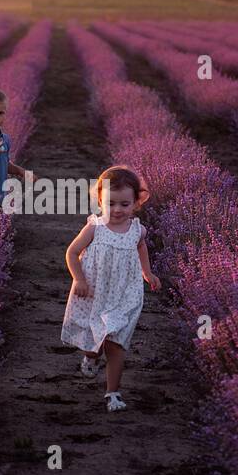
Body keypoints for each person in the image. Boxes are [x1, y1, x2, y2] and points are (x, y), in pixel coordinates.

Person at [60, 166, 160, 411]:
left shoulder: (137, 229)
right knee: (93, 340)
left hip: (125, 293)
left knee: (117, 343)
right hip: (95, 291)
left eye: (124, 204)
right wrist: (79, 279)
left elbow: (140, 247)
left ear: (136, 203)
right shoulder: (95, 228)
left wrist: (147, 272)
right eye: (111, 203)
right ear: (100, 200)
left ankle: (112, 392)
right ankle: (91, 356)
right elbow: (72, 253)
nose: (117, 210)